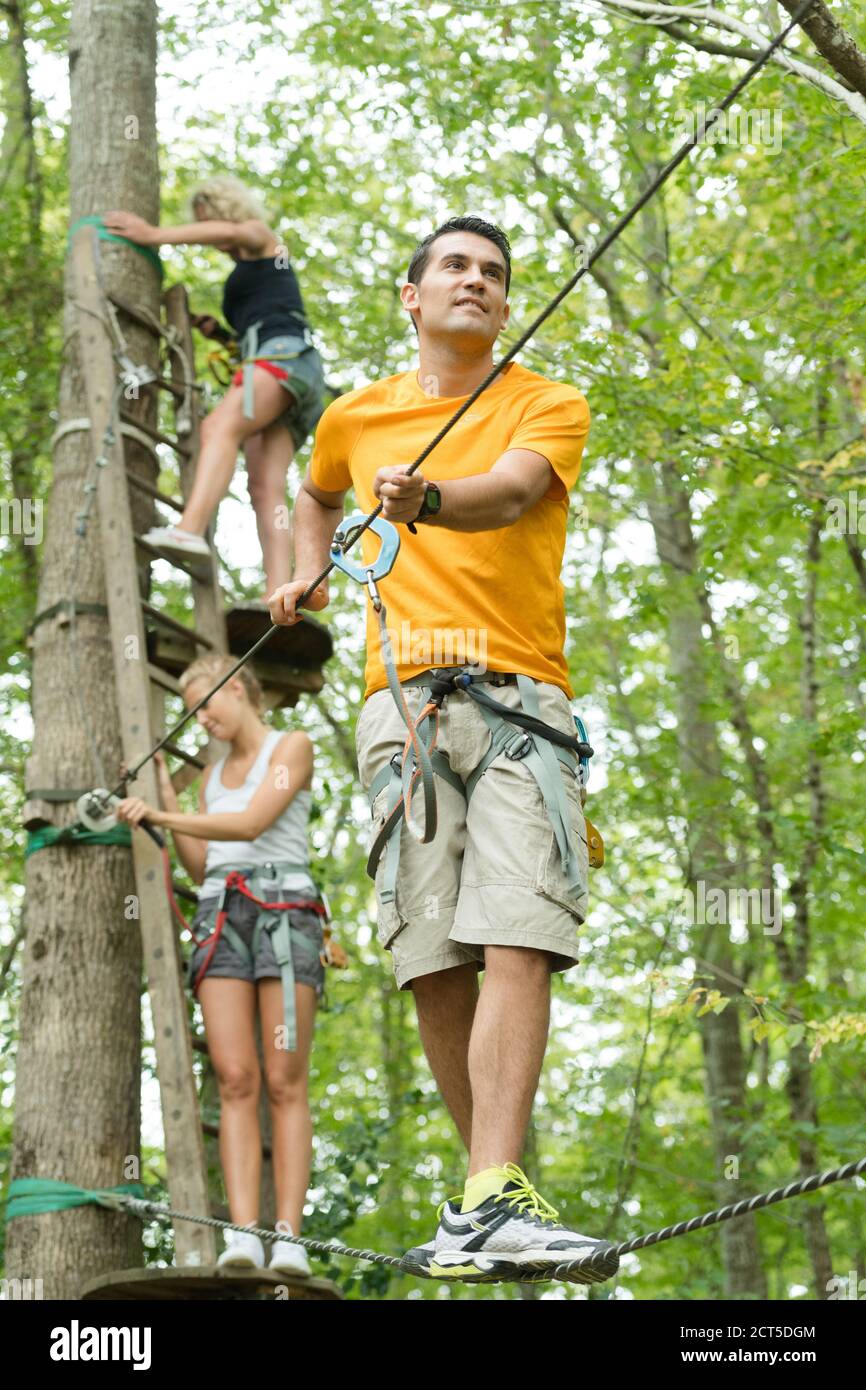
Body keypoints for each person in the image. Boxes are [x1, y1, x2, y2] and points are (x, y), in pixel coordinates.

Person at [264, 215, 619, 1285]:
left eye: (494, 275)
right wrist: (304, 568)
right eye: (455, 267)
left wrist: (426, 503)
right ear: (410, 297)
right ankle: (485, 1200)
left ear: (504, 307)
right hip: (399, 714)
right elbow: (317, 490)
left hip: (517, 702)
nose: (477, 281)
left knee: (517, 931)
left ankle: (490, 1190)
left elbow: (507, 493)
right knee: (431, 959)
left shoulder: (542, 402)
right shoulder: (355, 415)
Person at [116, 653, 325, 1277]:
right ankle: (243, 1234)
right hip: (221, 914)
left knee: (285, 1079)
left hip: (284, 912)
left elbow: (255, 820)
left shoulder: (294, 746)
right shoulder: (209, 780)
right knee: (236, 1077)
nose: (200, 720)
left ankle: (289, 1236)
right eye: (192, 713)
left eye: (206, 705)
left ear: (240, 690)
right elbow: (205, 866)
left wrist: (160, 812)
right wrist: (161, 797)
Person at [104, 176, 326, 594]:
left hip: (282, 356)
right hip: (292, 368)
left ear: (225, 211)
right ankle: (280, 592)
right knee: (263, 486)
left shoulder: (262, 236)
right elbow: (267, 309)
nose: (216, 236)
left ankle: (189, 529)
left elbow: (230, 232)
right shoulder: (254, 268)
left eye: (208, 220)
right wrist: (222, 334)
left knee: (218, 428)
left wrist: (154, 236)